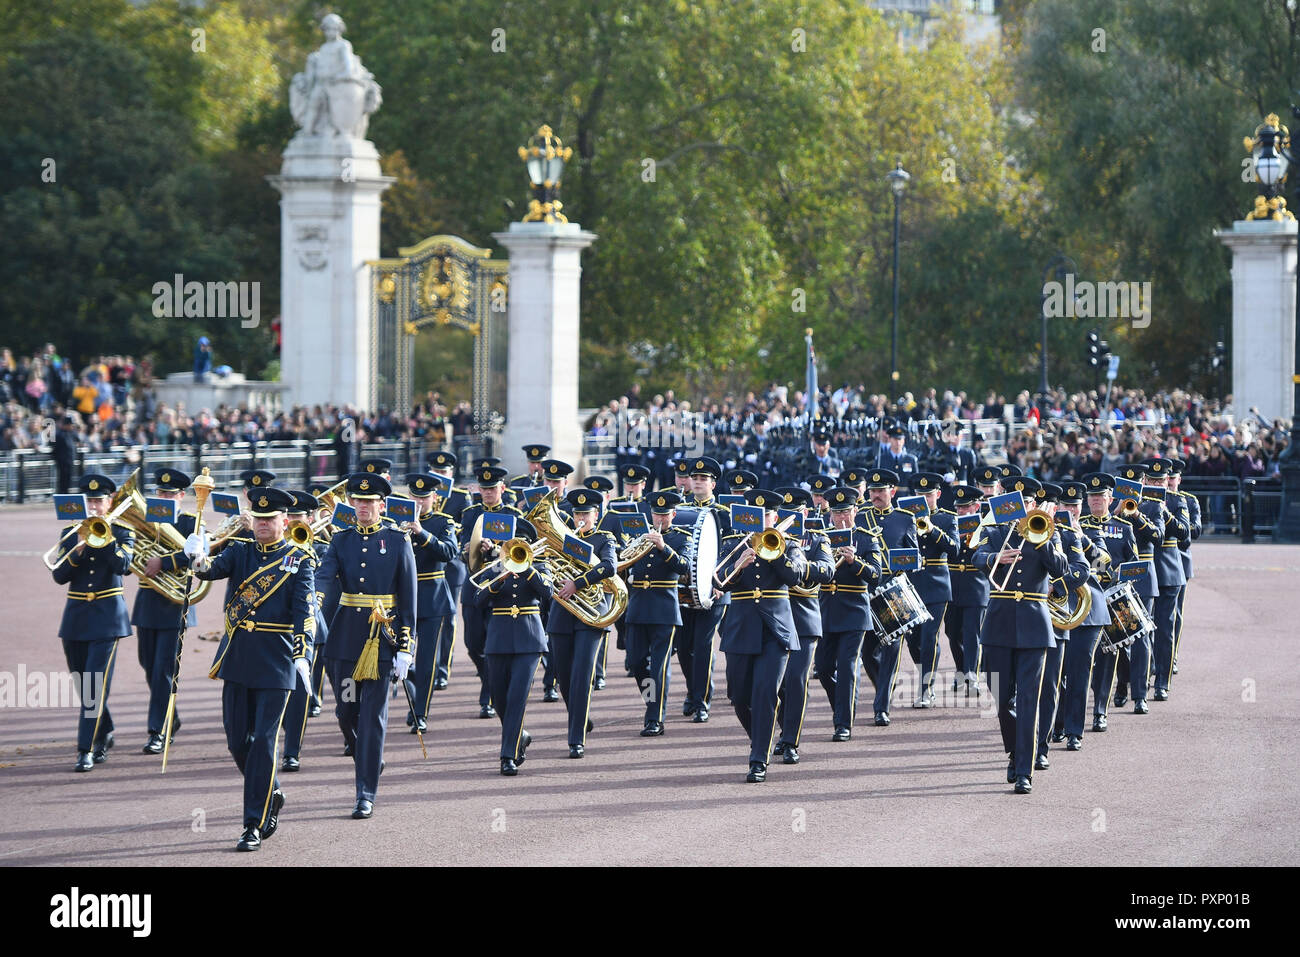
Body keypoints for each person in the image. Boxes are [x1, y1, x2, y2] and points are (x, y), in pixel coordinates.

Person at [188, 486, 313, 851]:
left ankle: (252, 825)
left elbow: (305, 611)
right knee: (235, 740)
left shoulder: (299, 558)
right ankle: (270, 790)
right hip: (239, 657)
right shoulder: (240, 551)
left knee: (262, 742)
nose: (262, 524)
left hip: (277, 660)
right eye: (258, 519)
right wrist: (196, 557)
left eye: (269, 519)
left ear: (284, 522)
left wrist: (302, 654)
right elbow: (211, 570)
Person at [316, 473, 417, 819]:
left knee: (373, 717)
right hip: (345, 639)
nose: (362, 506)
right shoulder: (340, 540)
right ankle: (369, 757)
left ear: (381, 505)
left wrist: (406, 647)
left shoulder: (398, 541)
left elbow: (408, 600)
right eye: (357, 501)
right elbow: (324, 576)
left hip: (381, 642)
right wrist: (311, 601)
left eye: (368, 501)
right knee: (346, 711)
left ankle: (365, 792)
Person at [972, 476, 1069, 794]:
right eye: (1014, 503)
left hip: (1034, 625)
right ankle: (1014, 751)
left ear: (1033, 505)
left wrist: (1044, 540)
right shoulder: (994, 530)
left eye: (1026, 504)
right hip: (999, 623)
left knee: (1029, 699)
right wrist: (994, 559)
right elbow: (975, 556)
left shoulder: (1046, 530)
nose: (1021, 509)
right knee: (1001, 699)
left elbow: (1061, 568)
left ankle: (1024, 769)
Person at [715, 489, 806, 782]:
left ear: (774, 517)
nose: (761, 519)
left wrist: (775, 551)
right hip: (741, 627)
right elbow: (715, 581)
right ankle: (762, 738)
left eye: (766, 514)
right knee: (739, 696)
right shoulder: (733, 543)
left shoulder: (787, 544)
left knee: (765, 691)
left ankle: (758, 759)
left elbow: (795, 577)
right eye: (755, 514)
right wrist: (738, 565)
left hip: (775, 629)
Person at [50, 473, 134, 772]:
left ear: (110, 502)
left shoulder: (123, 532)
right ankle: (105, 729)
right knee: (82, 683)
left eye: (99, 501)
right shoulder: (71, 532)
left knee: (93, 687)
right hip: (75, 618)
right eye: (90, 501)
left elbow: (124, 566)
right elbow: (59, 576)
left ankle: (86, 748)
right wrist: (80, 549)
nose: (95, 506)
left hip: (108, 619)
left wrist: (105, 539)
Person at [546, 489, 619, 758]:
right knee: (564, 680)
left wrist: (577, 583)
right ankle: (581, 717)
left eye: (585, 514)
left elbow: (610, 567)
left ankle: (576, 739)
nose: (581, 518)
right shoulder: (562, 538)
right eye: (577, 513)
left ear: (595, 515)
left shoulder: (603, 539)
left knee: (580, 678)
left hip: (590, 616)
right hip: (562, 615)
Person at [132, 467, 198, 754]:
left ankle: (157, 730)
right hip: (147, 602)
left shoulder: (191, 523)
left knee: (162, 670)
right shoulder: (145, 520)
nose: (164, 497)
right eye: (160, 492)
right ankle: (172, 716)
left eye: (170, 494)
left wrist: (165, 562)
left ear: (181, 496)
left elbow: (198, 553)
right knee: (148, 665)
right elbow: (132, 550)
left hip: (174, 606)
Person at [474, 518, 546, 775]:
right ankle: (520, 735)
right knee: (499, 697)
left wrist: (528, 569)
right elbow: (478, 600)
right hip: (499, 639)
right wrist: (497, 582)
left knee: (517, 696)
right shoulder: (494, 569)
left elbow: (549, 594)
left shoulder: (540, 567)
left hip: (529, 640)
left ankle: (507, 756)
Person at [811, 487, 881, 743]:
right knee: (825, 667)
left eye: (845, 512)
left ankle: (843, 723)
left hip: (854, 611)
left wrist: (855, 562)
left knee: (848, 666)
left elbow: (876, 574)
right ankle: (842, 708)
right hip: (827, 609)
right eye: (836, 512)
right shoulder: (822, 537)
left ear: (855, 511)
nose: (840, 518)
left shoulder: (865, 538)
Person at [621, 490, 692, 736]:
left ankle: (655, 718)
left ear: (673, 514)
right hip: (638, 606)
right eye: (655, 514)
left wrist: (663, 547)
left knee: (659, 666)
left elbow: (684, 567)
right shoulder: (639, 537)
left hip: (664, 608)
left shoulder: (682, 538)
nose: (659, 519)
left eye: (664, 515)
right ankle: (651, 701)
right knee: (636, 662)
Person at [773, 487, 836, 761]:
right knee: (773, 684)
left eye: (795, 513)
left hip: (803, 619)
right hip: (774, 619)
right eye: (784, 514)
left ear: (805, 513)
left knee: (796, 680)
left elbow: (828, 569)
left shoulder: (817, 539)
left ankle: (790, 741)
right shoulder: (768, 539)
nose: (789, 518)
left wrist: (797, 568)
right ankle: (782, 728)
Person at [1080, 472, 1140, 733]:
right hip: (1082, 599)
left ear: (1109, 498)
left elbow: (1134, 565)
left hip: (1112, 597)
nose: (1095, 501)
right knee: (1080, 659)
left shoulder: (1123, 527)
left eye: (1100, 496)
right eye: (1091, 496)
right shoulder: (1077, 525)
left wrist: (1120, 577)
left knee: (1109, 656)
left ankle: (1100, 711)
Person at [858, 470, 919, 725]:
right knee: (867, 652)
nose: (875, 495)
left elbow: (915, 557)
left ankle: (881, 707)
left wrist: (905, 564)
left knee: (893, 650)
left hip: (894, 591)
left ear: (892, 491)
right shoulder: (861, 518)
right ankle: (885, 685)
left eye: (880, 491)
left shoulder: (905, 519)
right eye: (872, 491)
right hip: (866, 591)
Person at [401, 473, 459, 734]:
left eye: (424, 497)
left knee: (427, 661)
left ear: (434, 498)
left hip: (431, 598)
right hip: (401, 597)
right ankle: (414, 691)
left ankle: (420, 712)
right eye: (415, 496)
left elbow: (449, 553)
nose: (419, 501)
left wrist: (421, 532)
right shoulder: (395, 522)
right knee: (397, 657)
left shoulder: (442, 522)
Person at [280, 490, 328, 773]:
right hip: (272, 627)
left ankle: (291, 751)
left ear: (310, 518)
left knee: (299, 693)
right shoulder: (272, 544)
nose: (294, 522)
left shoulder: (321, 546)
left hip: (307, 625)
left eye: (299, 517)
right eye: (291, 517)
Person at [904, 473, 959, 707]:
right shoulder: (906, 519)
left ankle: (926, 688)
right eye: (920, 495)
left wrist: (932, 530)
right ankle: (924, 674)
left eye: (928, 494)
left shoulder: (947, 519)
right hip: (912, 584)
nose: (924, 499)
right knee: (913, 639)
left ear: (937, 494)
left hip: (937, 584)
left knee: (929, 638)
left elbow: (954, 549)